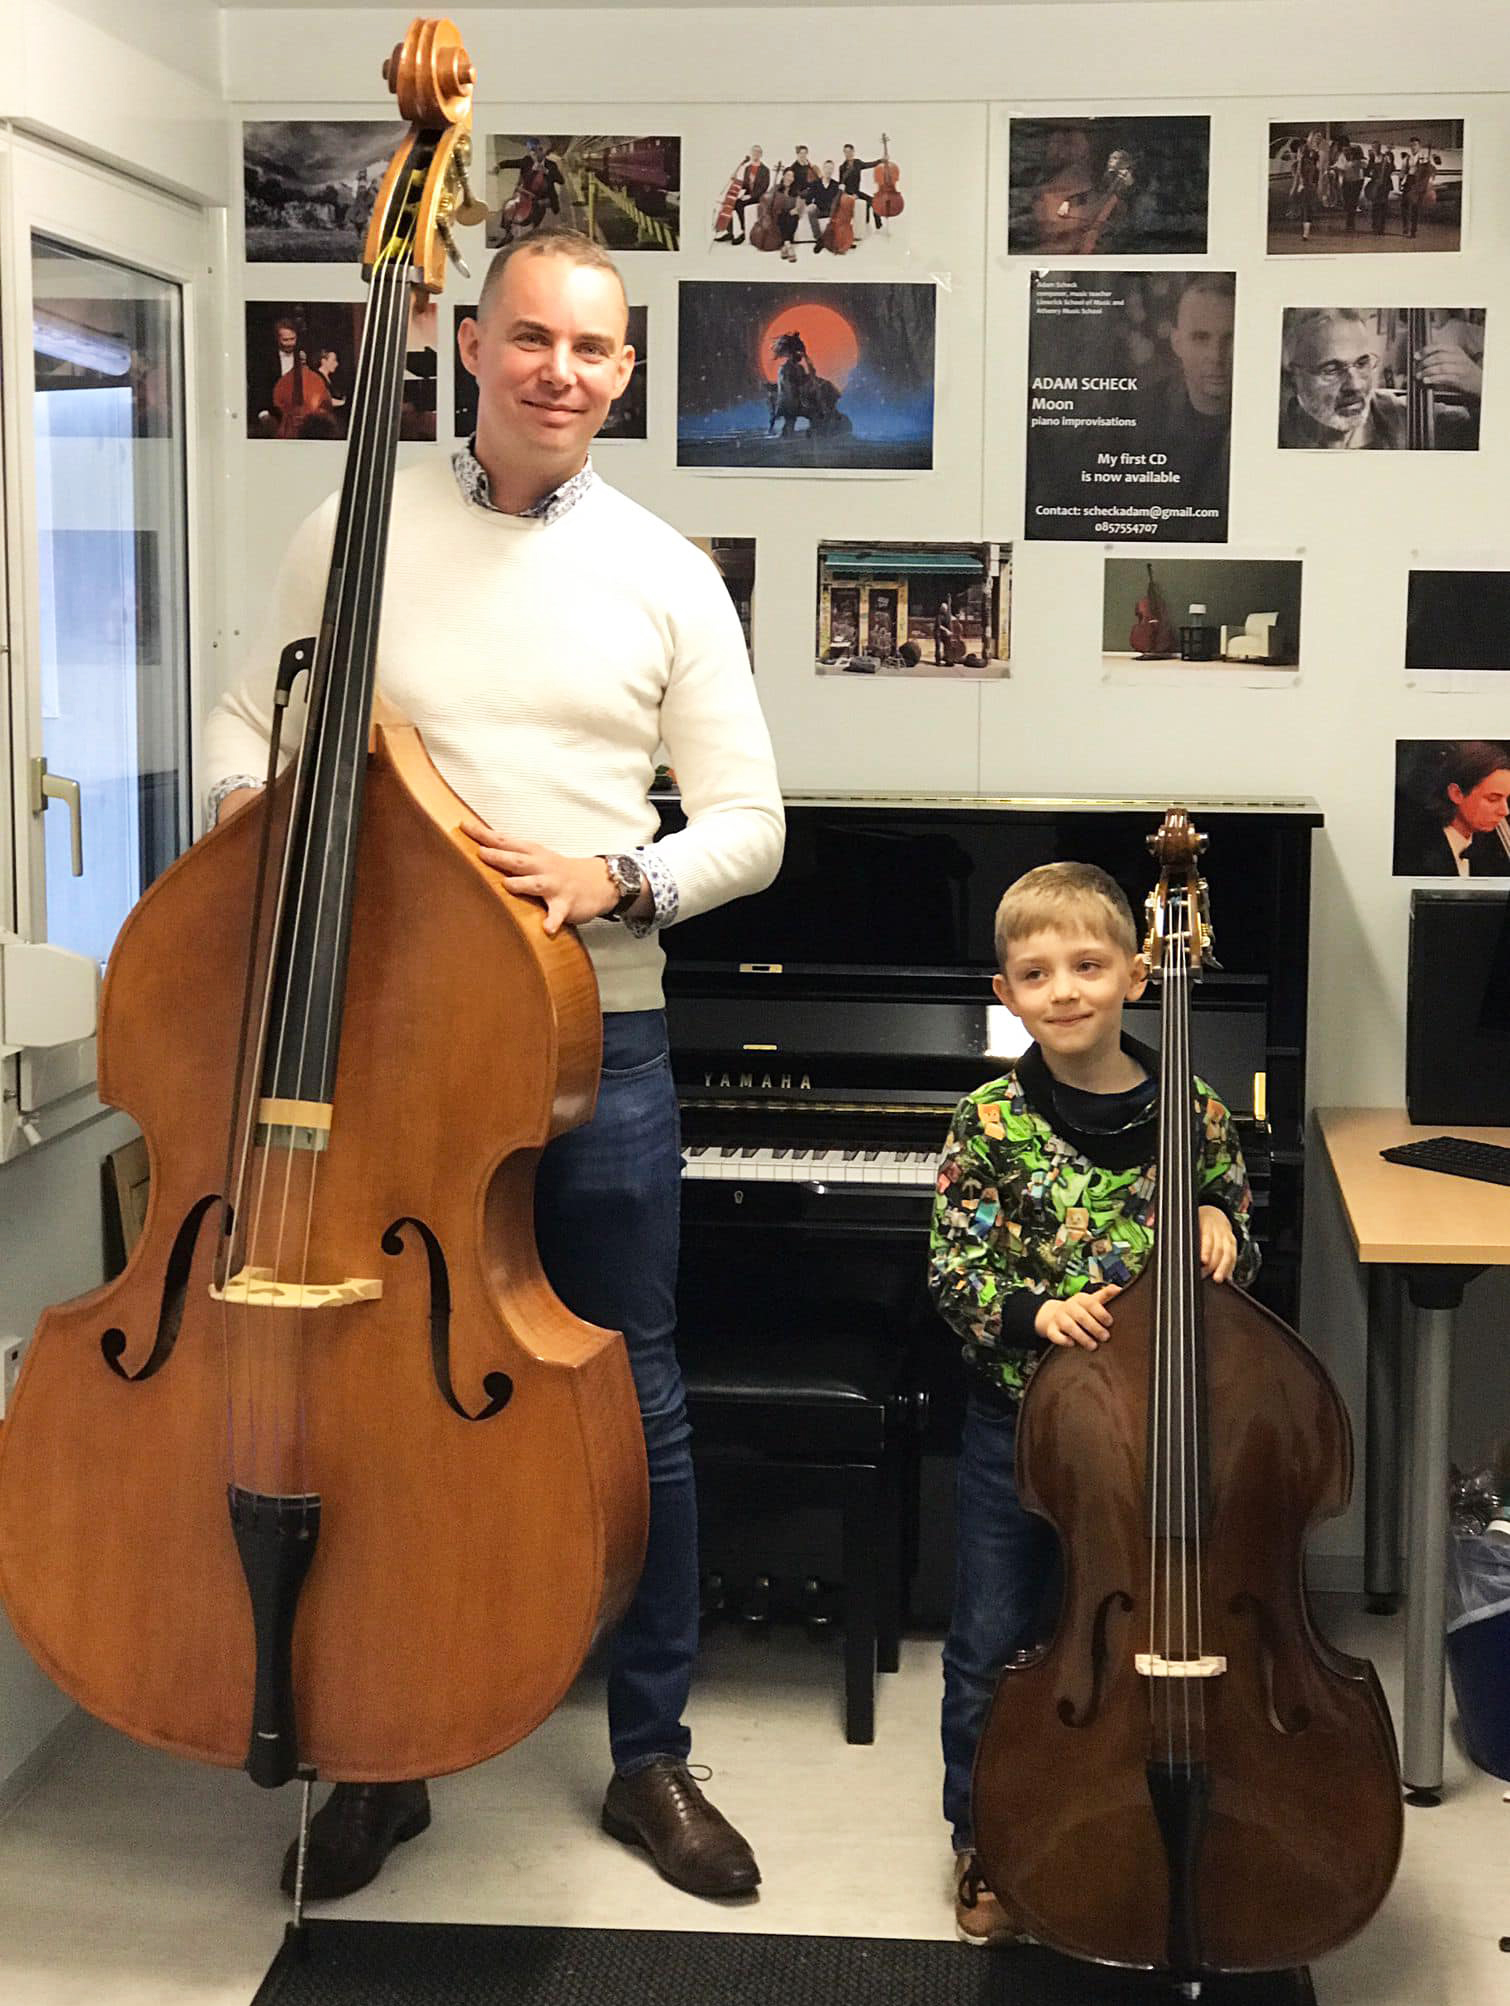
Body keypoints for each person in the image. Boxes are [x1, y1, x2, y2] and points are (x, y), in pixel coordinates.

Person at [204, 230, 784, 1906]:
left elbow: (750, 823)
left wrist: (626, 877)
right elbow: (253, 721)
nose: (558, 373)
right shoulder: (355, 530)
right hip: (379, 1035)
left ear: (623, 373)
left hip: (597, 1029)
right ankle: (384, 1754)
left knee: (633, 1386)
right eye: (530, 338)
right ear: (471, 343)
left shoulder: (667, 571)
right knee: (377, 1392)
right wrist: (261, 826)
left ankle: (651, 1755)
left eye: (592, 352)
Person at [928, 862, 1257, 1947]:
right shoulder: (984, 1119)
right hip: (1018, 1431)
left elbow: (1239, 1236)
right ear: (1003, 991)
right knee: (990, 1639)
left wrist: (1221, 1226)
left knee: (1139, 1634)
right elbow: (953, 1272)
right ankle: (983, 1832)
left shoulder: (1195, 1108)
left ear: (1133, 970)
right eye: (1036, 972)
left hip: (1157, 1435)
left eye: (1086, 964)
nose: (1063, 988)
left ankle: (1126, 1808)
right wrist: (1033, 1314)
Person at [1278, 307, 1481, 449]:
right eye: (1331, 370)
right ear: (1291, 378)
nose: (1355, 385)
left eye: (1362, 363)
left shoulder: (1405, 416)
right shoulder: (1272, 434)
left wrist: (1481, 385)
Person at [1141, 273, 1234, 518]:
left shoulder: (1273, 419)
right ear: (1177, 342)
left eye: (1230, 339)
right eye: (1201, 338)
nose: (1216, 356)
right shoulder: (1141, 418)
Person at [1395, 741, 1510, 877]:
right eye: (1493, 799)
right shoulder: (1411, 852)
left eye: (1507, 799)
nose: (1505, 811)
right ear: (1456, 793)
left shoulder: (1489, 853)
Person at [722, 145, 769, 245]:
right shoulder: (747, 168)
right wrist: (735, 181)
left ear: (761, 154)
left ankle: (744, 231)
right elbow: (745, 185)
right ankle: (730, 232)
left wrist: (751, 196)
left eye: (758, 152)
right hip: (746, 196)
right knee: (729, 203)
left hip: (758, 197)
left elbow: (764, 187)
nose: (755, 154)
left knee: (739, 205)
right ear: (751, 153)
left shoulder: (765, 170)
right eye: (754, 152)